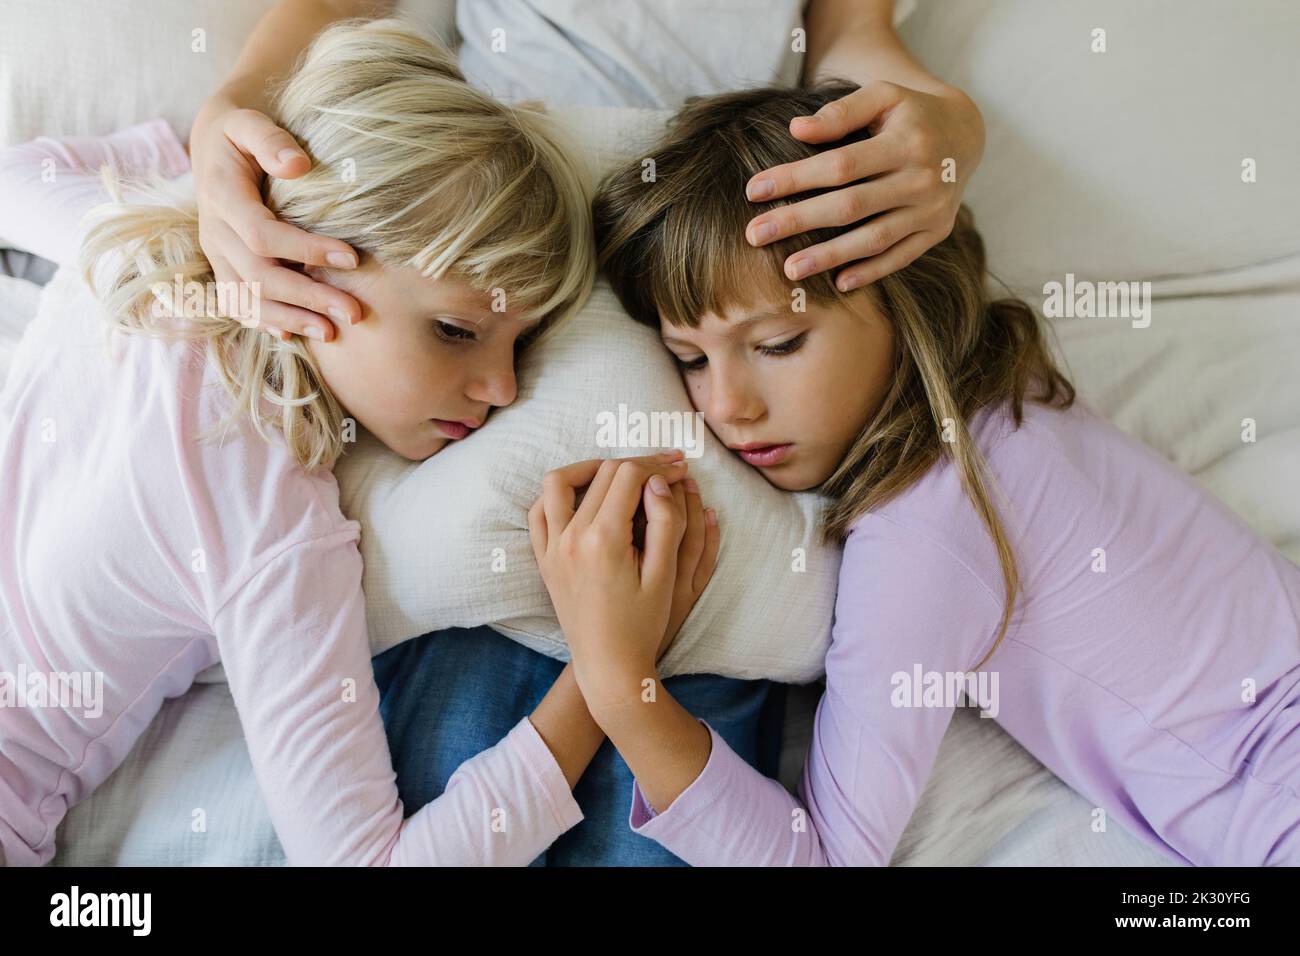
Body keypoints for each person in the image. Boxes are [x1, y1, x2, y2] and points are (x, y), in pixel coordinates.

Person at [0, 18, 711, 866]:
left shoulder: (129, 243)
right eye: (455, 331)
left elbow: (18, 174)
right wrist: (605, 671)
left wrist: (207, 185)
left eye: (518, 345)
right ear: (307, 259)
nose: (504, 389)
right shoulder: (263, 522)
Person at [539, 81, 1300, 866]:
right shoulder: (1012, 388)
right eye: (689, 360)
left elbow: (827, 858)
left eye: (777, 346)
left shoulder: (925, 529)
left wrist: (616, 677)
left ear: (907, 301)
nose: (728, 407)